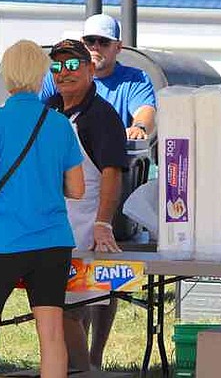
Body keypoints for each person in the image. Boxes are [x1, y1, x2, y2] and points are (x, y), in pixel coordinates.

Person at [0, 40, 85, 378]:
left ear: (8, 75)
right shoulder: (60, 125)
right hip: (53, 242)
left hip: (2, 241)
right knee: (51, 334)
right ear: (44, 74)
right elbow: (78, 188)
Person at [46, 39, 128, 371]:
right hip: (52, 220)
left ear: (90, 69)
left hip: (86, 220)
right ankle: (78, 367)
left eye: (71, 66)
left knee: (75, 305)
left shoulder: (102, 115)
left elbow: (111, 172)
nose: (63, 74)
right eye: (56, 67)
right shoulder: (50, 107)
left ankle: (88, 366)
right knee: (62, 306)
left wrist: (102, 222)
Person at [40, 14, 156, 139]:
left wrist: (139, 128)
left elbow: (145, 111)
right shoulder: (58, 77)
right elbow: (31, 110)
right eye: (90, 41)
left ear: (118, 47)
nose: (95, 47)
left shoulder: (135, 79)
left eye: (104, 42)